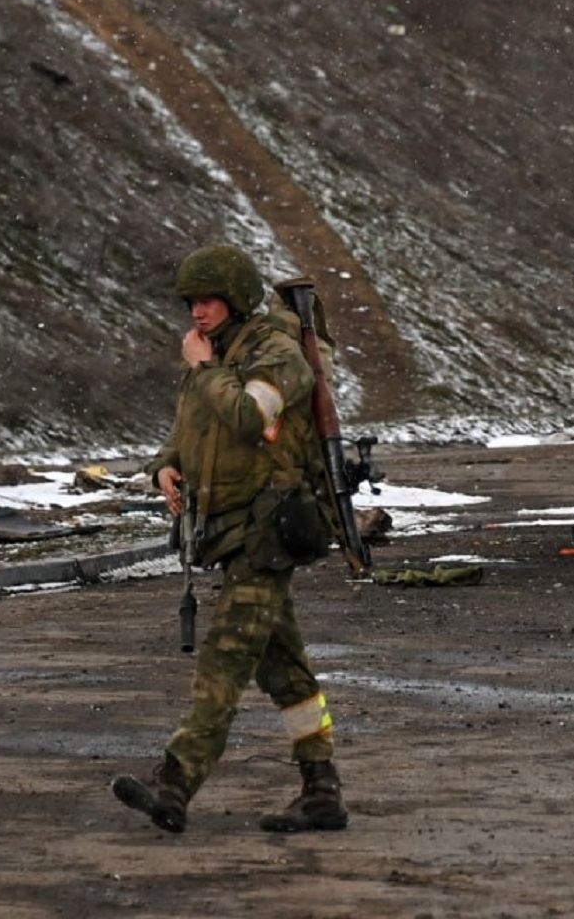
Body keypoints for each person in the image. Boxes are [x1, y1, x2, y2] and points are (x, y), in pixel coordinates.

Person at [111, 243, 348, 835]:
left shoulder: (277, 354)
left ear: (237, 299)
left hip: (267, 531)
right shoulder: (213, 356)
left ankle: (175, 783)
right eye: (192, 301)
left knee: (223, 662)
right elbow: (192, 430)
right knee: (287, 673)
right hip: (229, 530)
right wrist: (166, 465)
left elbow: (248, 417)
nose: (198, 311)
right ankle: (321, 789)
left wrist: (203, 369)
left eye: (209, 300)